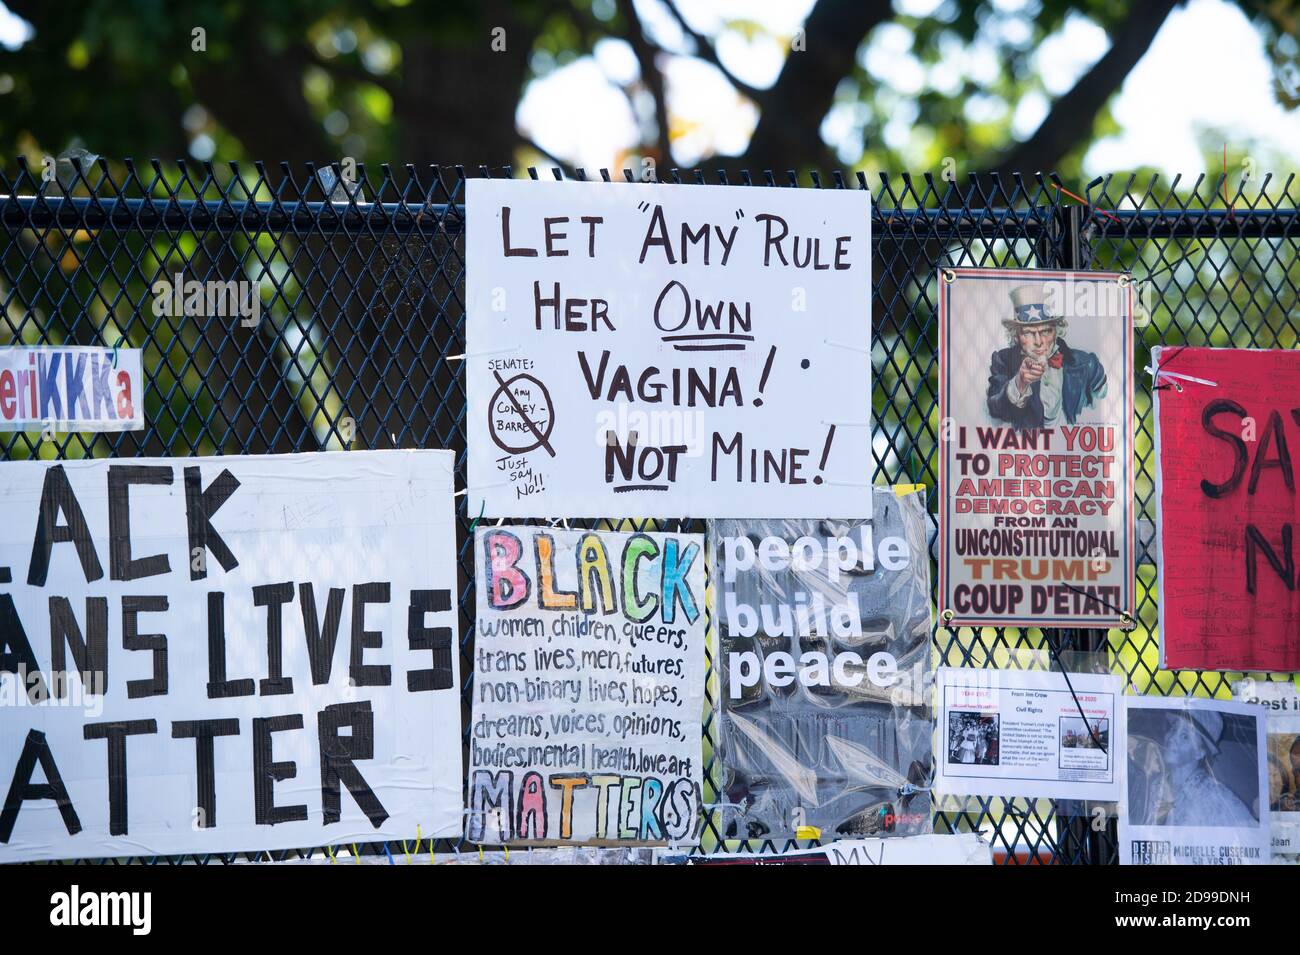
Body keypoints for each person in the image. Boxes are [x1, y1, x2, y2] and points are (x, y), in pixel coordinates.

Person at [986, 284, 1108, 431]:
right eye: (1028, 333)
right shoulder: (1003, 360)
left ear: (1056, 330)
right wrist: (1020, 382)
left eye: (1045, 331)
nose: (1038, 342)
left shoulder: (1088, 364)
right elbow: (995, 409)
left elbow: (1105, 412)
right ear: (1016, 336)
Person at [1158, 711, 1256, 827]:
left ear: (1199, 753)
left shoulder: (1216, 797)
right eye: (1174, 729)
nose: (1172, 737)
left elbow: (1252, 836)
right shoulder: (1155, 785)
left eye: (1185, 736)